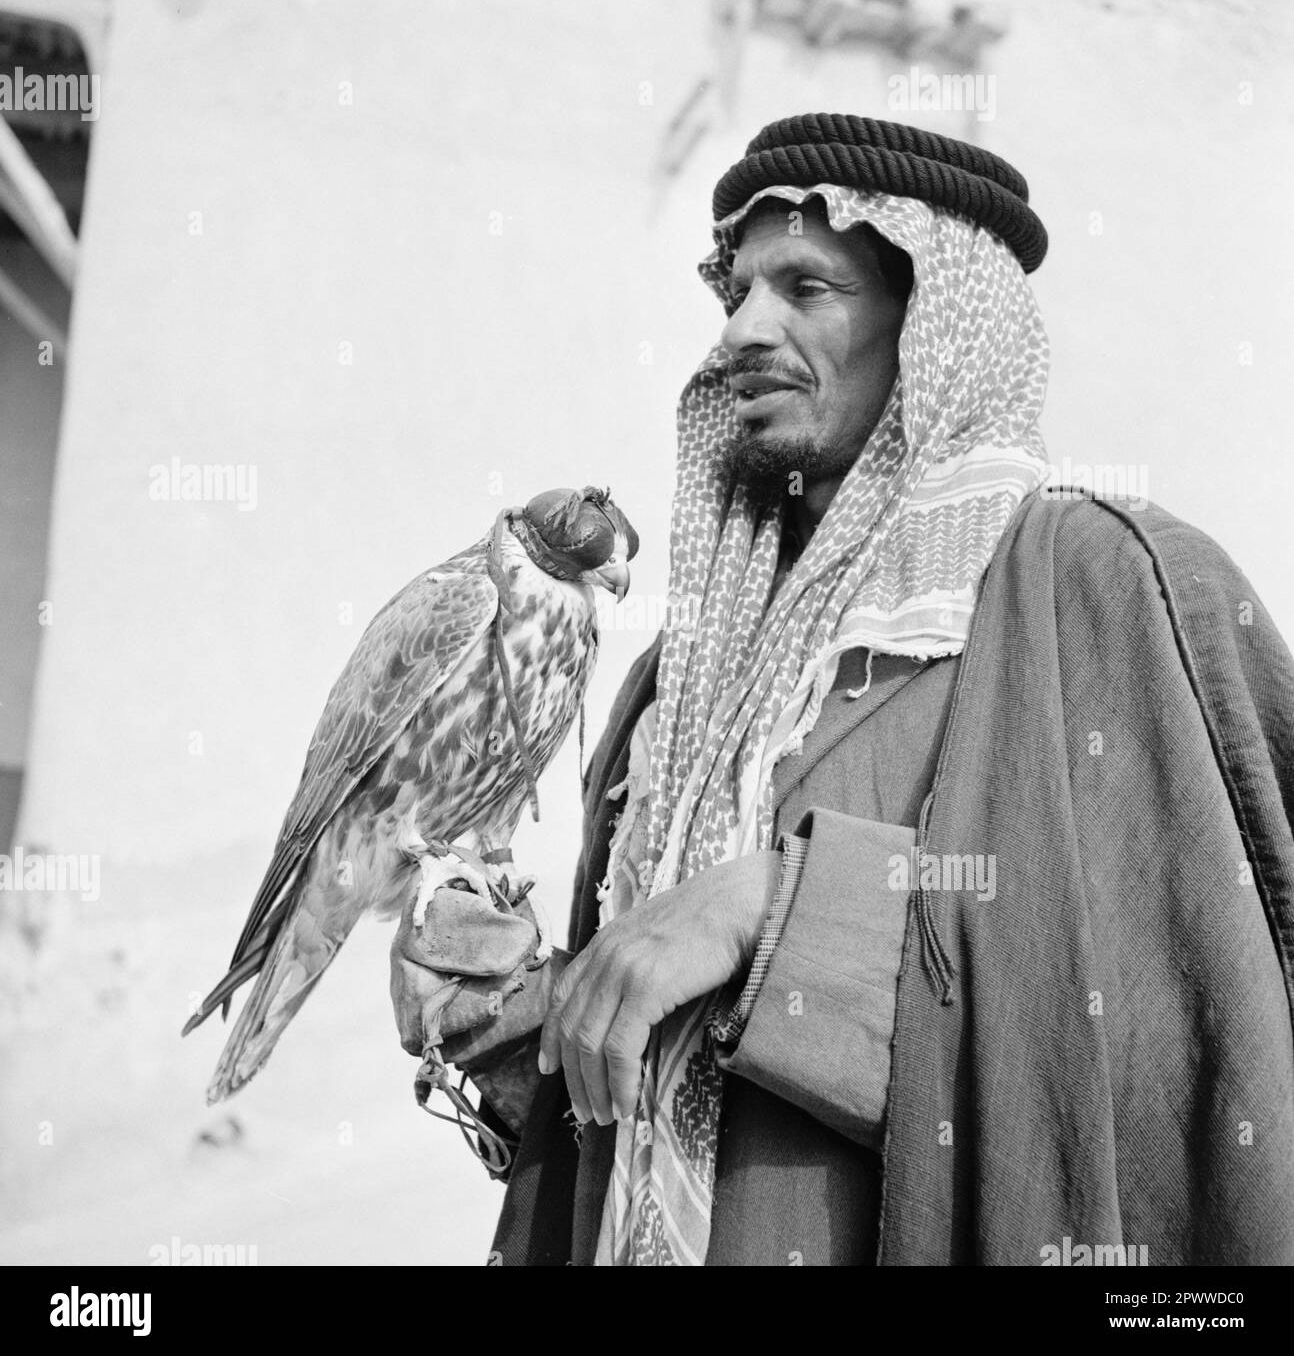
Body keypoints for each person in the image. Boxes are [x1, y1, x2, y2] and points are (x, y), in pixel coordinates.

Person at [390, 114, 1294, 1267]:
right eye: (735, 293)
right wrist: (514, 1014)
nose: (741, 331)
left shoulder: (1099, 588)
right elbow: (633, 1123)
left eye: (805, 286)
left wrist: (773, 907)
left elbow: (1181, 1062)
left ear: (935, 332)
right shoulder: (676, 686)